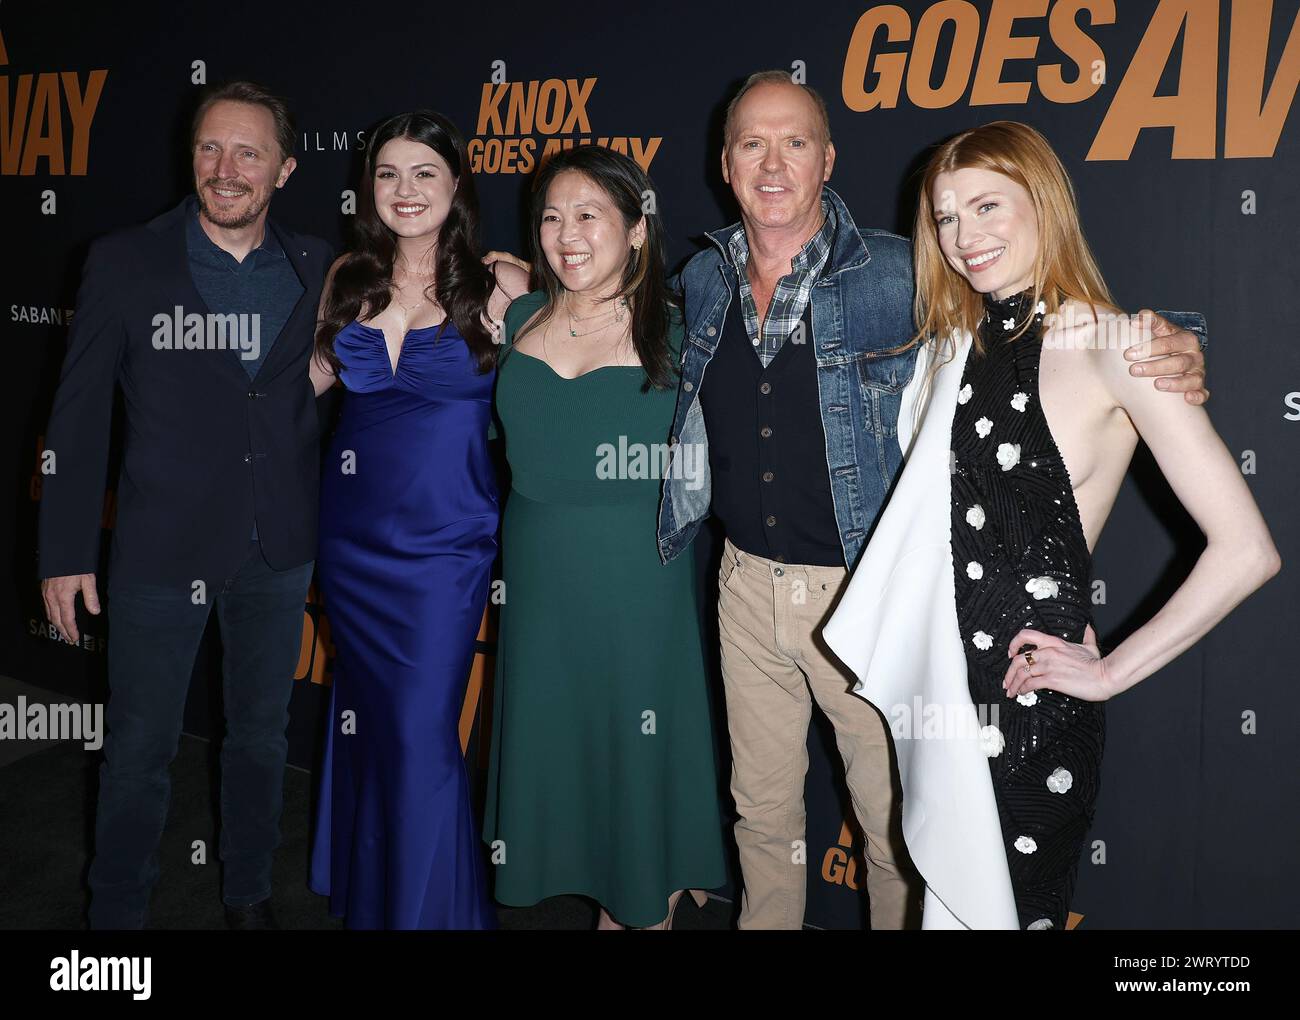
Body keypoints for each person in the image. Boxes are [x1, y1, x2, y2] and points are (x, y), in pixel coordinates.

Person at [656, 71, 1213, 929]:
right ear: (723, 162)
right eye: (751, 145)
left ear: (828, 159)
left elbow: (1042, 320)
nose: (773, 165)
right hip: (740, 586)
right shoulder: (700, 280)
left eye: (795, 142)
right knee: (761, 820)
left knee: (896, 833)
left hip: (864, 593)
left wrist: (1177, 341)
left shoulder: (896, 270)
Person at [823, 120, 1279, 930]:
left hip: (1028, 710)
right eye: (947, 217)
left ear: (1045, 202)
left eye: (989, 205)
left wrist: (1107, 674)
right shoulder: (952, 347)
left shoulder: (1122, 347)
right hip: (945, 694)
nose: (967, 237)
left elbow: (1247, 550)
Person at [38, 81, 332, 929]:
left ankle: (246, 899)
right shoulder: (127, 259)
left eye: (247, 152)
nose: (226, 169)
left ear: (283, 168)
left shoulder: (317, 263)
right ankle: (116, 918)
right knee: (138, 752)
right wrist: (62, 550)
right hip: (160, 552)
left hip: (277, 549)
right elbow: (78, 411)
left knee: (261, 740)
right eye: (210, 148)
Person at [483, 145, 728, 929]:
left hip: (636, 584)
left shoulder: (684, 332)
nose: (567, 234)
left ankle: (640, 906)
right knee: (556, 744)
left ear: (637, 230)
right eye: (551, 217)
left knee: (634, 751)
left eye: (589, 215)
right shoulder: (521, 314)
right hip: (536, 578)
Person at [306, 111, 526, 929]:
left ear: (457, 184)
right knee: (373, 719)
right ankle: (378, 899)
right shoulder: (349, 279)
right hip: (353, 543)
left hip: (448, 546)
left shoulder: (500, 282)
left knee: (421, 734)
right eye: (389, 174)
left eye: (425, 172)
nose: (406, 190)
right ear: (369, 188)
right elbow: (301, 395)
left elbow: (580, 357)